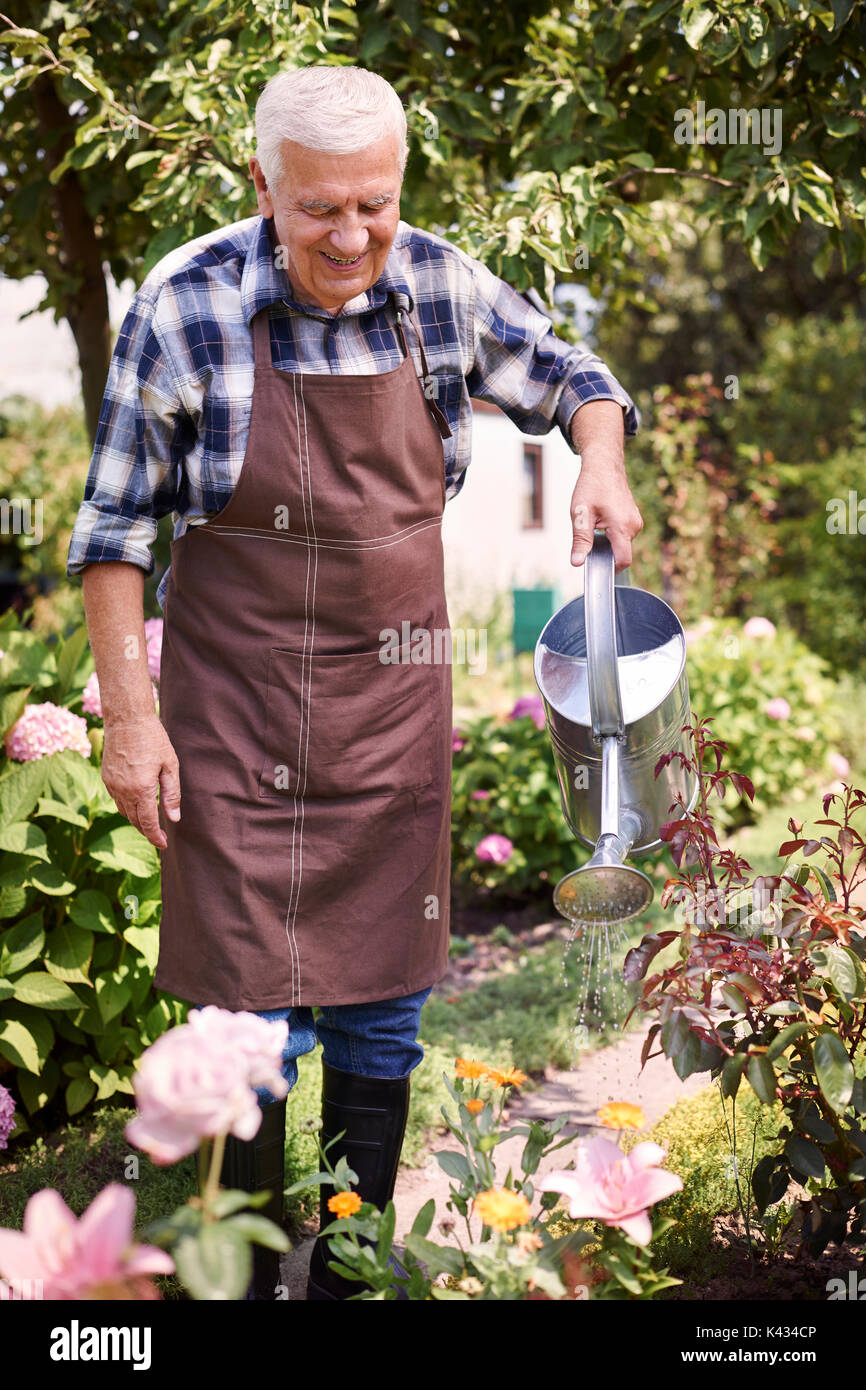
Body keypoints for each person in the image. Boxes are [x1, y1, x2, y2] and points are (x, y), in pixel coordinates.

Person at [66, 65, 643, 1301]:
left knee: (381, 1016)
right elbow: (112, 534)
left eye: (373, 205)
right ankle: (244, 1281)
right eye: (320, 209)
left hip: (389, 715)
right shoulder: (184, 305)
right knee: (244, 1030)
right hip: (232, 716)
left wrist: (599, 463)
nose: (351, 237)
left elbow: (579, 379)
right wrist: (129, 718)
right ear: (261, 183)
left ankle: (347, 1278)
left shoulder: (436, 282)